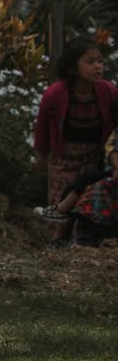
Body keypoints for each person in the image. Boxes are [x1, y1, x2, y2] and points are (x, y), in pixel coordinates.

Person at [33, 39, 115, 227]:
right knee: (60, 207)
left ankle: (79, 239)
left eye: (100, 61)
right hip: (63, 158)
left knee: (86, 203)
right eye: (90, 62)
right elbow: (43, 128)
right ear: (72, 68)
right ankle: (56, 241)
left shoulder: (107, 91)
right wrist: (42, 156)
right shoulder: (55, 94)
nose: (97, 67)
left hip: (94, 156)